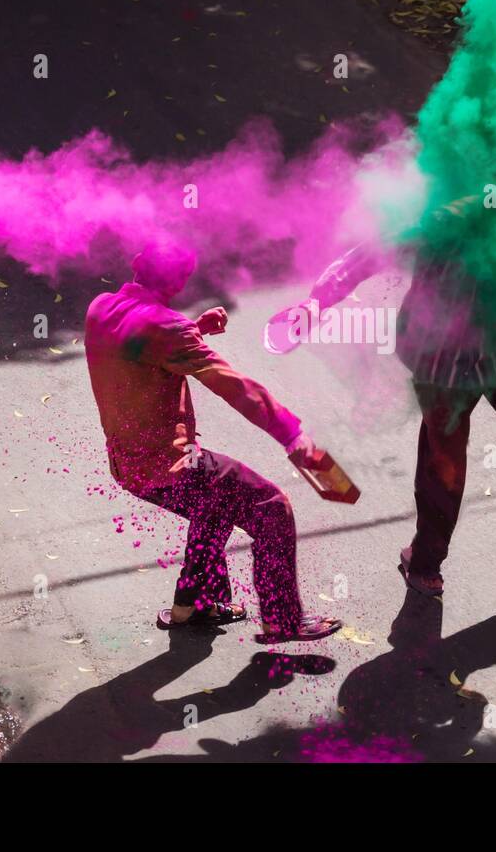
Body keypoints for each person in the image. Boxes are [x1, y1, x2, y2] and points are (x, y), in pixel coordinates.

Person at [275, 232, 496, 597]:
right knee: (444, 461)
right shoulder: (438, 216)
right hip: (442, 362)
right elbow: (369, 253)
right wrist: (317, 302)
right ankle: (424, 561)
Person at [85, 240, 342, 642]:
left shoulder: (100, 308)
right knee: (270, 506)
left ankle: (193, 607)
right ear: (181, 282)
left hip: (127, 465)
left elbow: (141, 347)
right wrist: (293, 435)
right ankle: (282, 621)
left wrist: (194, 330)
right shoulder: (168, 331)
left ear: (136, 263)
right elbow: (236, 388)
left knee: (216, 505)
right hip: (171, 465)